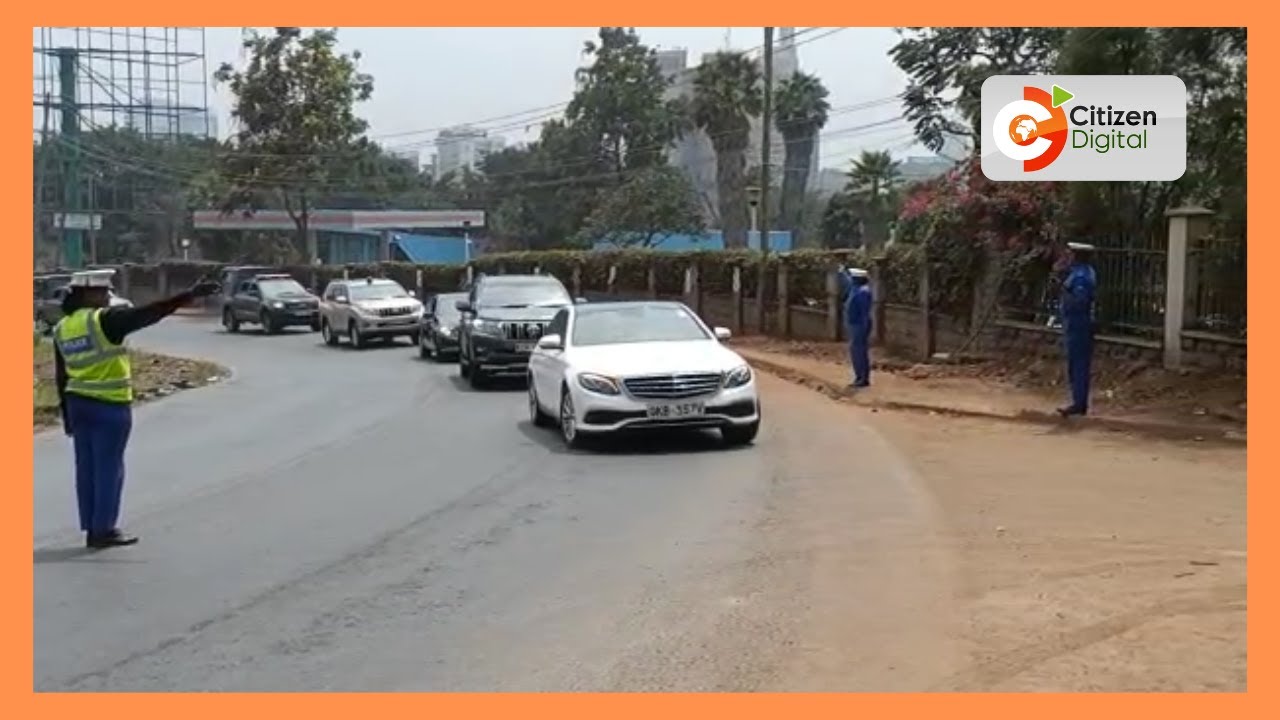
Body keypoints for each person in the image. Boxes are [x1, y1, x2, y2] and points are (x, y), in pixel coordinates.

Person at [53, 269, 220, 549]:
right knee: (109, 467)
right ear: (88, 294)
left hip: (77, 404)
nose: (108, 296)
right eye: (103, 291)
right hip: (109, 405)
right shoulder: (104, 320)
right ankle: (104, 530)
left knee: (86, 469)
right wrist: (189, 295)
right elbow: (150, 313)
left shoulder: (62, 327)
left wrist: (66, 414)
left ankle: (91, 527)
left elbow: (61, 374)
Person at [1057, 242, 1098, 417]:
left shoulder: (1081, 276)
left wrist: (1065, 292)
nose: (1068, 257)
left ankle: (1079, 404)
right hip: (1076, 322)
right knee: (1076, 364)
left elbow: (1080, 300)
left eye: (1070, 254)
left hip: (1078, 323)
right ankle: (1078, 402)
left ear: (1076, 256)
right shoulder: (1082, 272)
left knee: (1078, 365)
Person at [839, 266, 874, 388]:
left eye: (852, 278)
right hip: (855, 324)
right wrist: (842, 271)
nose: (851, 280)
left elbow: (864, 312)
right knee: (856, 351)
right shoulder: (856, 288)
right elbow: (846, 280)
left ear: (857, 279)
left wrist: (864, 328)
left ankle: (862, 378)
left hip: (860, 325)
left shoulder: (863, 292)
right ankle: (860, 377)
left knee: (859, 352)